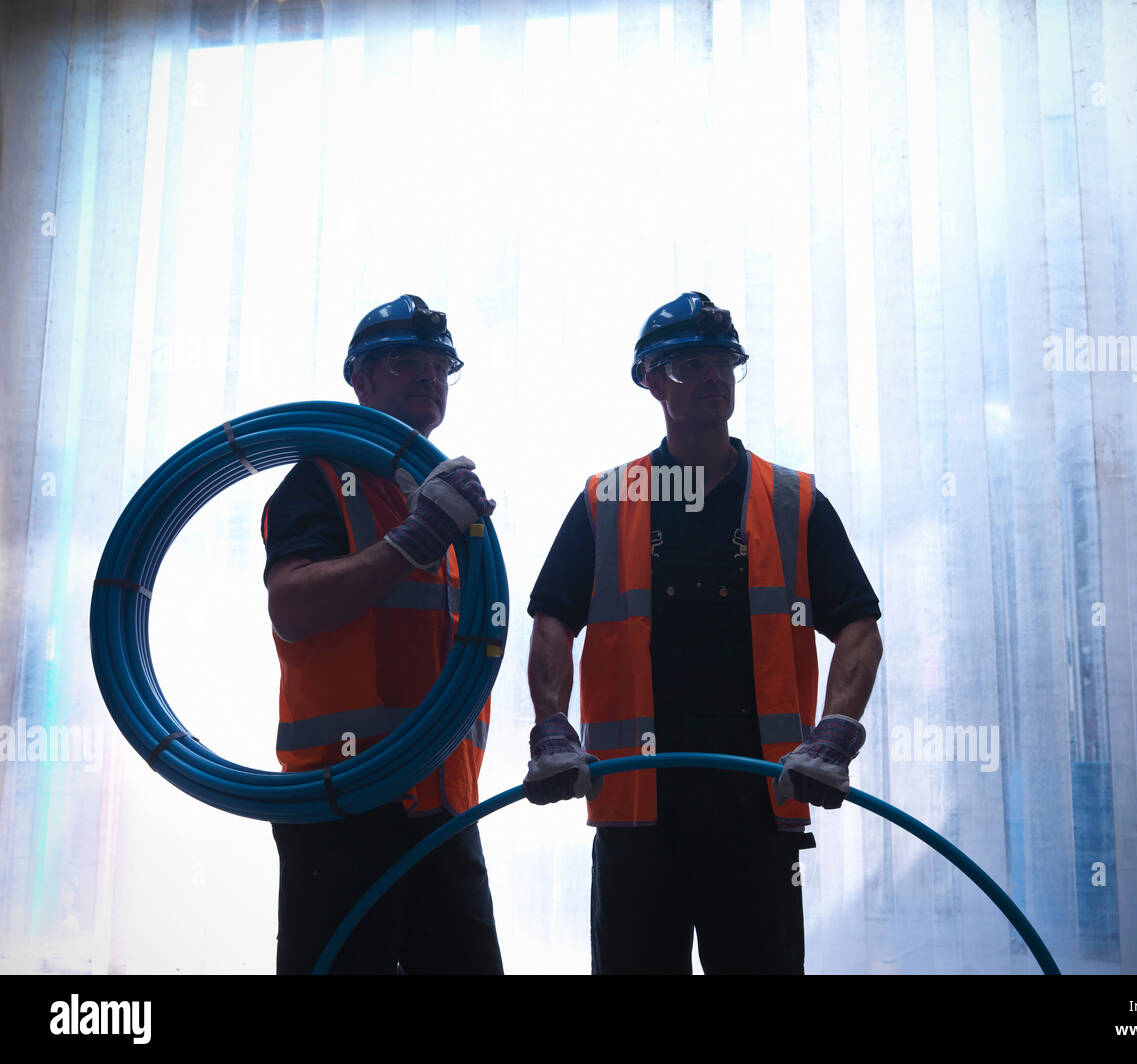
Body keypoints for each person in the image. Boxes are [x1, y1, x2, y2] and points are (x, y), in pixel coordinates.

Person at [523, 291, 884, 974]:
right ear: (652, 381)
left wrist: (835, 731)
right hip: (636, 817)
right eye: (691, 364)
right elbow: (552, 620)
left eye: (723, 362)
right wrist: (551, 727)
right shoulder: (609, 500)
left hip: (757, 814)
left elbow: (859, 627)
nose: (714, 376)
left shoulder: (791, 501)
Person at [260, 294, 503, 974]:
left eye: (439, 365)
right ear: (359, 381)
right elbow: (292, 607)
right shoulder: (321, 483)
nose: (429, 376)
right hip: (342, 807)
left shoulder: (442, 500)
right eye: (404, 363)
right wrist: (411, 543)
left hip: (443, 803)